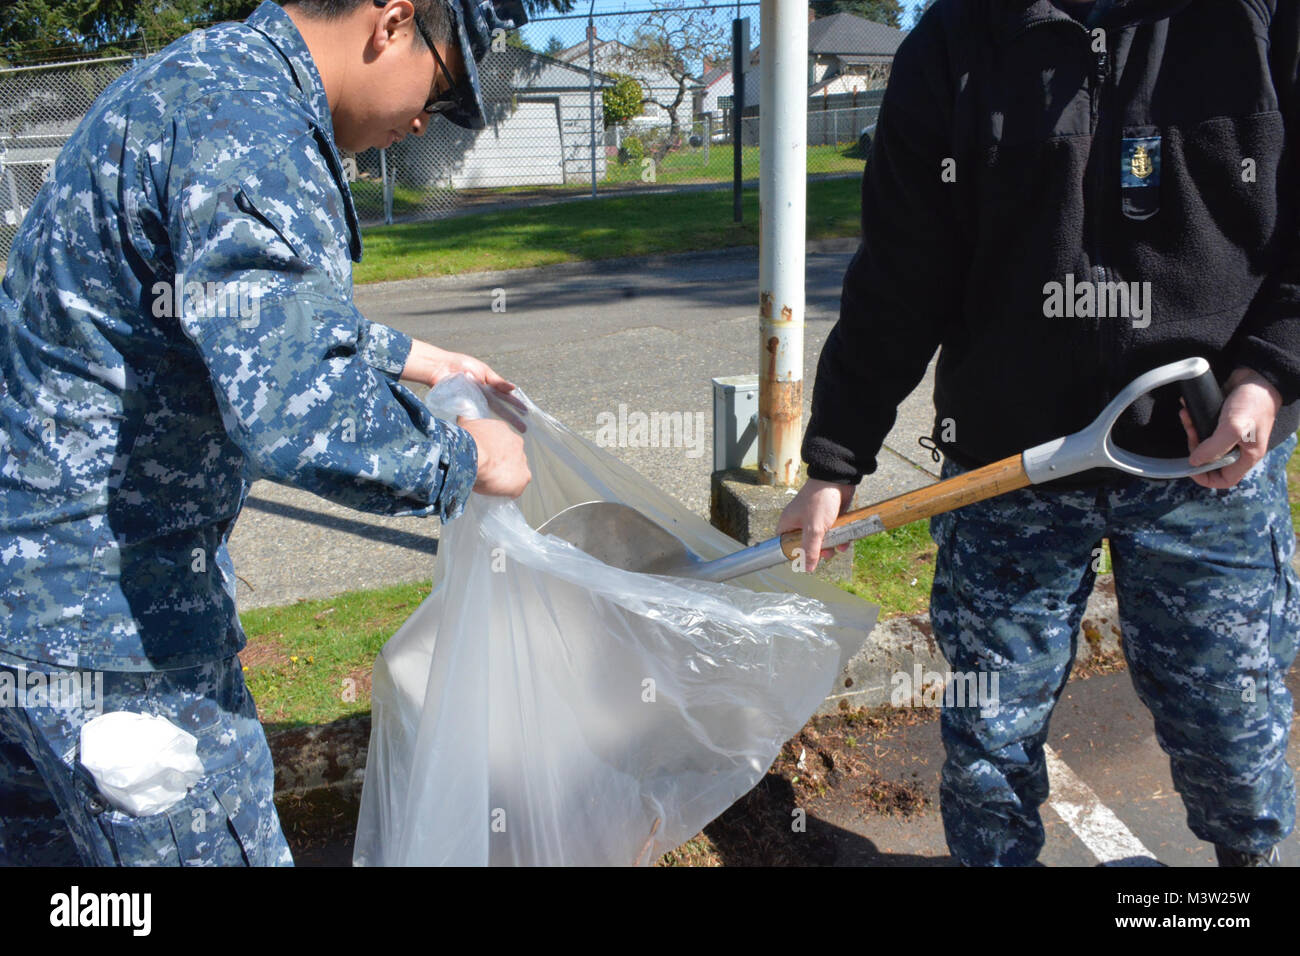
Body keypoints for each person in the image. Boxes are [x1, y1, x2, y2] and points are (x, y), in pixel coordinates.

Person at [0, 0, 531, 865]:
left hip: (28, 614)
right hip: (116, 637)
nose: (422, 120)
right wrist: (467, 459)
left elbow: (218, 305)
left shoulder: (197, 79)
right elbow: (297, 404)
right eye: (440, 86)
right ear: (392, 21)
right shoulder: (256, 126)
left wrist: (413, 355)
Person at [779, 0, 1300, 866]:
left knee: (1233, 732)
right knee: (989, 743)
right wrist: (836, 458)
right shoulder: (954, 43)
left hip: (1208, 465)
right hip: (1007, 471)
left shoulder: (1258, 18)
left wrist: (1270, 373)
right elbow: (903, 273)